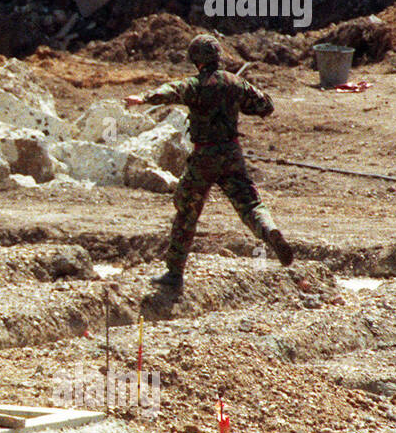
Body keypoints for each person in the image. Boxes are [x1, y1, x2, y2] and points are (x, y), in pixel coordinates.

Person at [125, 34, 293, 290]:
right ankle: (269, 230)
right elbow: (265, 106)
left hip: (205, 156)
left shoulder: (196, 84)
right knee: (250, 204)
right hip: (232, 154)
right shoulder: (236, 83)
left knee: (187, 211)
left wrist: (145, 98)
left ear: (196, 60)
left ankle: (174, 274)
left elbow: (172, 91)